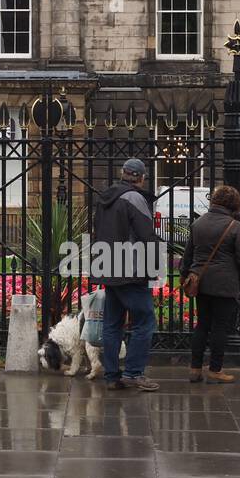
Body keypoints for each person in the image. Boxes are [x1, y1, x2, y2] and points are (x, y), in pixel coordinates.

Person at [96, 157, 161, 391]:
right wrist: (155, 267)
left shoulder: (106, 197)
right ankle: (133, 373)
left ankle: (112, 375)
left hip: (110, 266)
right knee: (145, 322)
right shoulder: (134, 198)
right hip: (131, 270)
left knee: (112, 324)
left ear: (123, 173)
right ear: (141, 178)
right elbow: (146, 236)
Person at [182, 184, 240, 383]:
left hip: (200, 281)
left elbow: (188, 255)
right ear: (234, 205)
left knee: (202, 325)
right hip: (224, 282)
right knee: (220, 327)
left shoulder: (198, 223)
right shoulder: (234, 226)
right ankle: (215, 369)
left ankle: (195, 369)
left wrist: (184, 275)